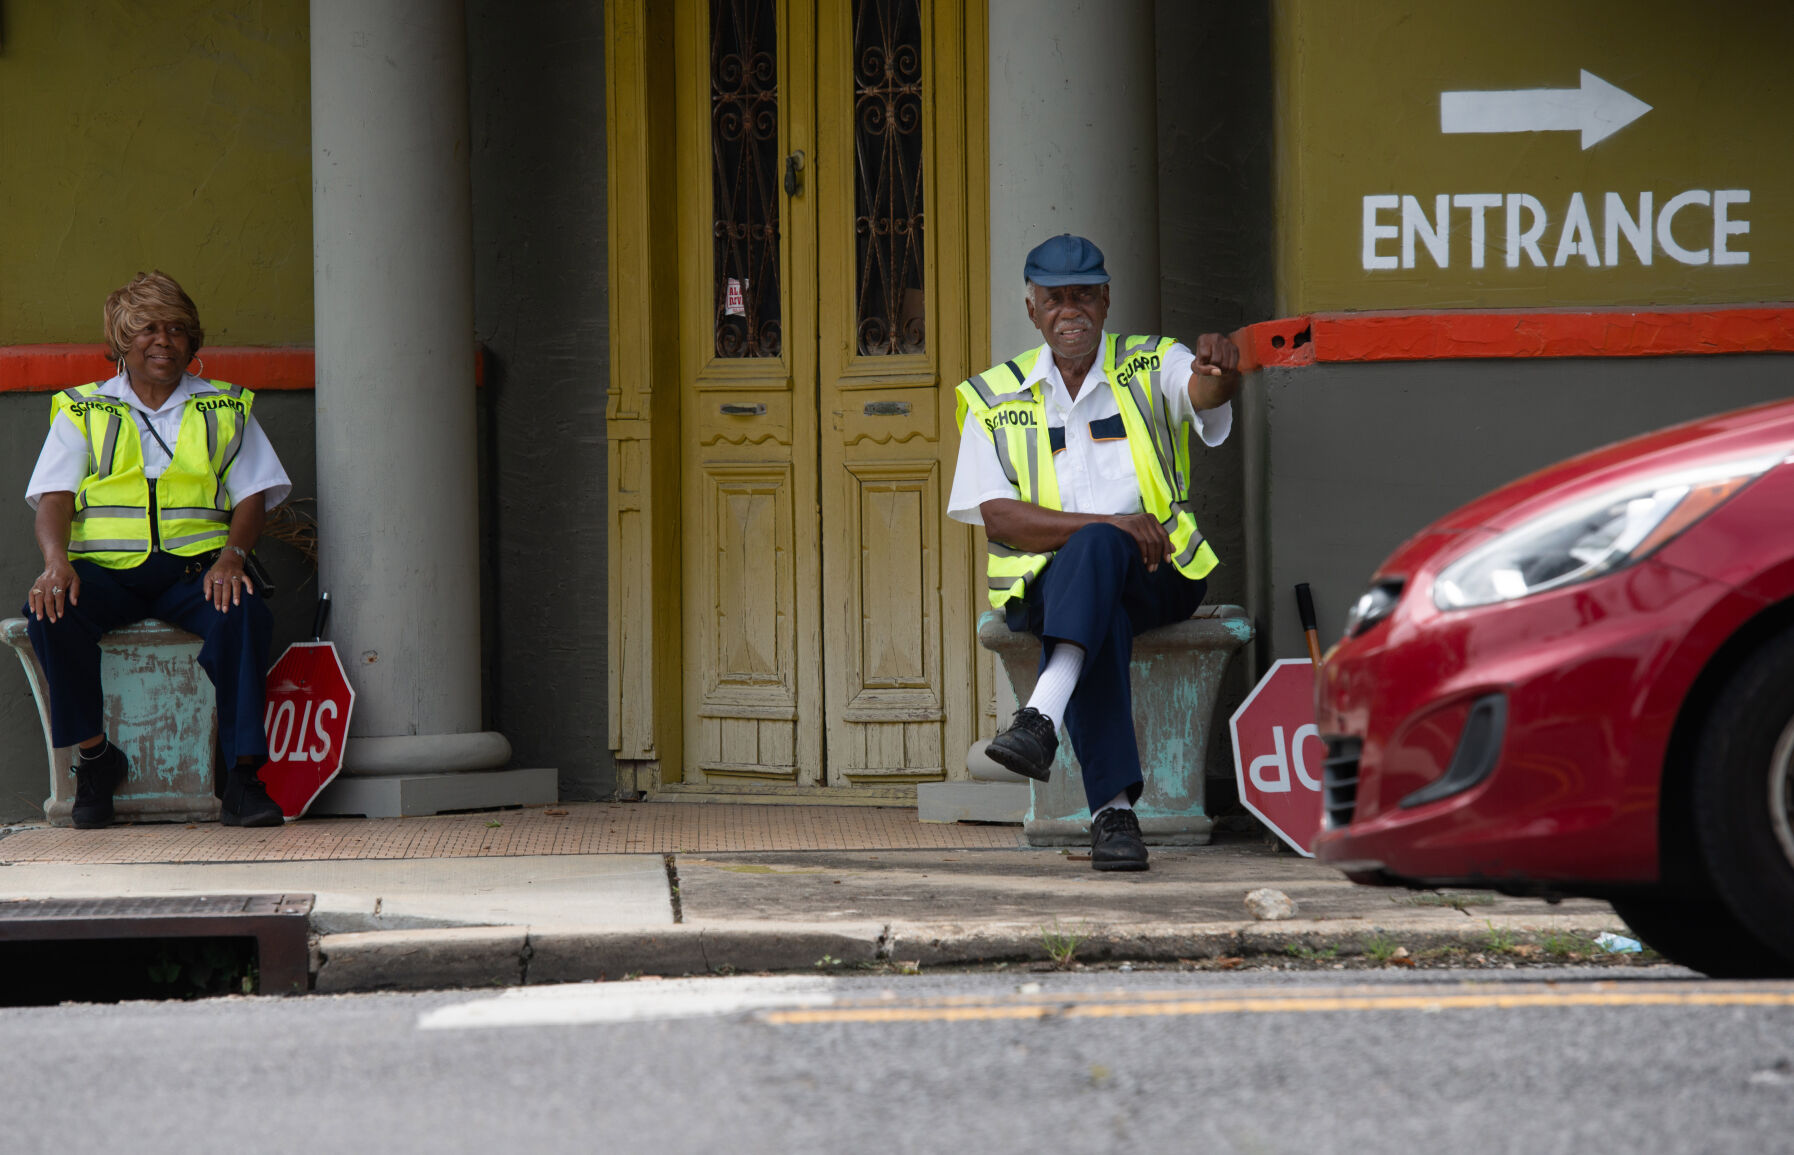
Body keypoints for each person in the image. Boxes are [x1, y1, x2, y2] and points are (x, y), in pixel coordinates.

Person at [948, 235, 1242, 872]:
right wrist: (1107, 524)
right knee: (1096, 590)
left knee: (1103, 559)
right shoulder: (993, 400)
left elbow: (1202, 393)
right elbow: (997, 515)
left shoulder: (1148, 362)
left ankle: (1038, 719)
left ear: (1106, 300)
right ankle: (1115, 817)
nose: (1070, 309)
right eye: (1055, 298)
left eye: (1084, 294)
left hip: (1160, 574)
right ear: (1033, 310)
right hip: (1048, 590)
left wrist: (1220, 372)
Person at [23, 271, 292, 829]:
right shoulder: (83, 409)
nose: (162, 340)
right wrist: (56, 563)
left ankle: (242, 777)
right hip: (106, 573)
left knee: (241, 612)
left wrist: (232, 558)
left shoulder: (225, 408)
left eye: (175, 328)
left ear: (192, 342)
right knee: (49, 612)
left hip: (196, 571)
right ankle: (96, 758)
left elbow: (253, 498)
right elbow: (54, 498)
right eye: (146, 327)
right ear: (122, 340)